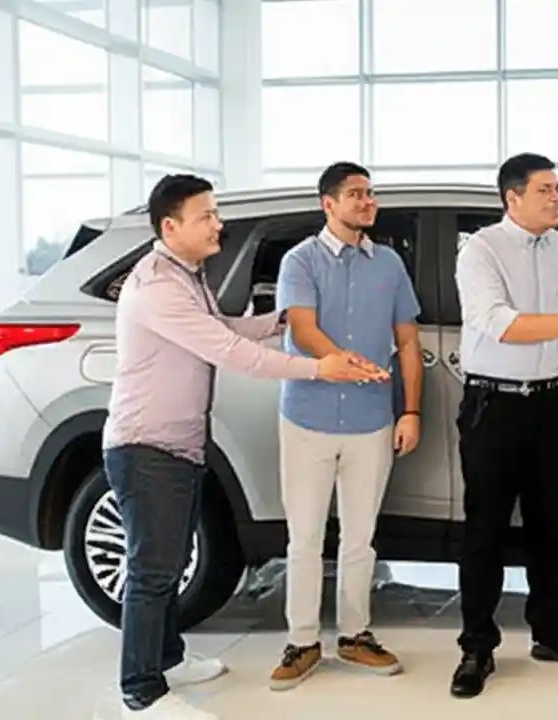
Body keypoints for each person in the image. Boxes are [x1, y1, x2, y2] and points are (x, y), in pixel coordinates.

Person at [103, 174, 374, 720]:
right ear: (170, 226)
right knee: (152, 571)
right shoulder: (157, 284)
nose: (218, 224)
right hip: (146, 445)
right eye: (206, 216)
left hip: (178, 444)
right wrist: (318, 366)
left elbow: (222, 325)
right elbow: (226, 349)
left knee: (173, 559)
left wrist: (281, 320)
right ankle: (141, 690)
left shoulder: (187, 275)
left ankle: (169, 658)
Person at [448, 152, 558, 698]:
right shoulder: (480, 250)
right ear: (513, 197)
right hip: (493, 406)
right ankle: (477, 646)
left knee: (550, 526)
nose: (557, 197)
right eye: (545, 190)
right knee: (486, 530)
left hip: (552, 403)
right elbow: (498, 323)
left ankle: (552, 632)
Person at [267, 162, 423, 690]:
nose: (367, 202)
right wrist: (349, 363)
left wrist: (410, 411)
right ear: (328, 204)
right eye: (355, 194)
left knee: (360, 538)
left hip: (372, 420)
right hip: (307, 417)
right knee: (305, 537)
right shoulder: (300, 262)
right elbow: (305, 332)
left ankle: (356, 636)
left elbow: (407, 341)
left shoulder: (389, 266)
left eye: (370, 193)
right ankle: (302, 641)